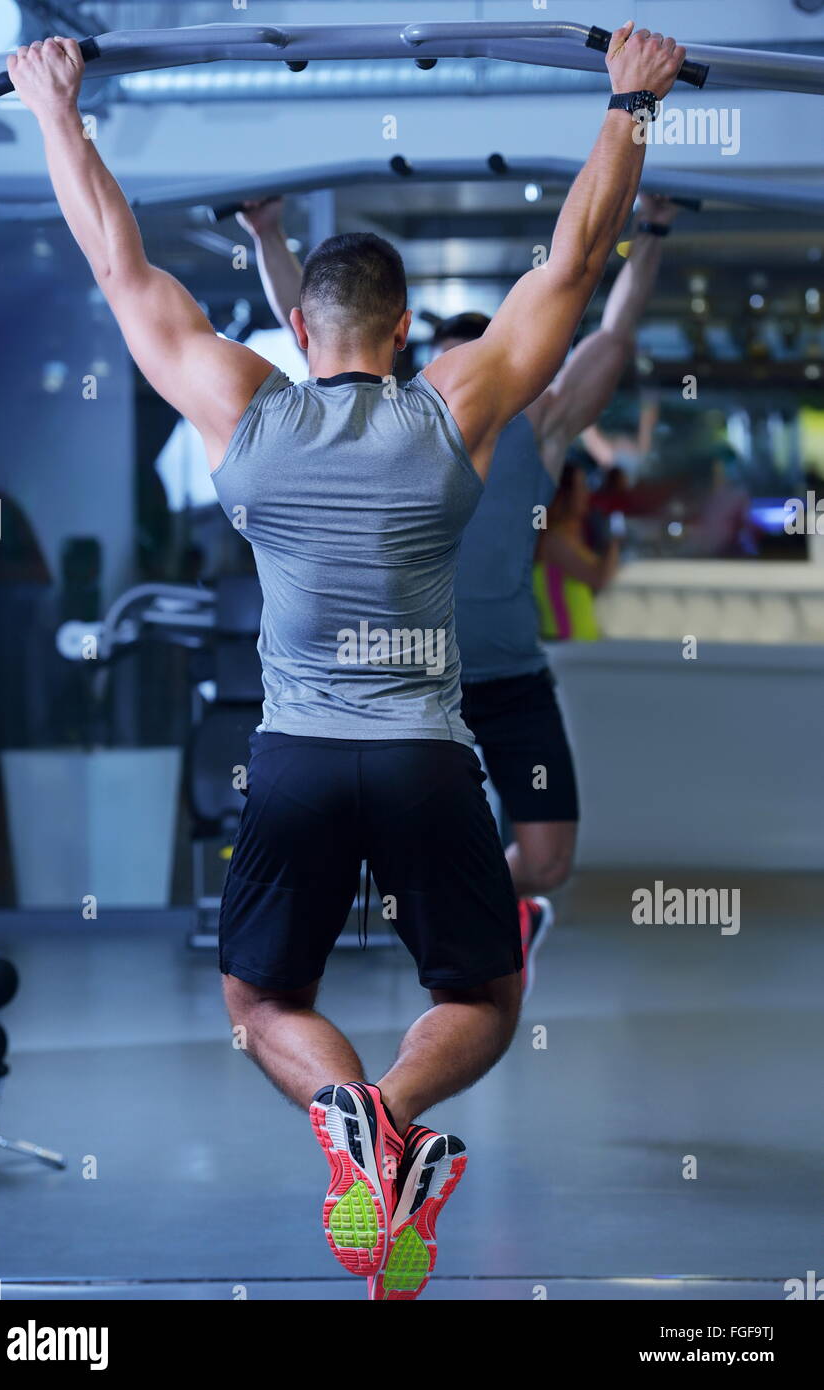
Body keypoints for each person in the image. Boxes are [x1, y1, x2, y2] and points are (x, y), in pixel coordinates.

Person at [9, 25, 684, 1299]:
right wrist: (629, 102)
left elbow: (118, 261)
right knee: (483, 995)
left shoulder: (242, 410)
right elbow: (577, 260)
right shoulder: (453, 411)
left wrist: (58, 109)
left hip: (298, 760)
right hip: (432, 759)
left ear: (302, 328)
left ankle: (353, 1129)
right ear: (402, 325)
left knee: (261, 1006)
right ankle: (389, 1115)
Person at [241, 193, 678, 996]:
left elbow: (609, 335)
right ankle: (439, 917)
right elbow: (318, 329)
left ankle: (485, 910)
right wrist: (268, 235)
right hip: (405, 697)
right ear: (414, 357)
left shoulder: (532, 428)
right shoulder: (401, 424)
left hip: (505, 678)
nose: (454, 378)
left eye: (469, 364)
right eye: (440, 361)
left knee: (546, 861)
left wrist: (647, 231)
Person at [534, 461, 622, 640]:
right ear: (564, 494)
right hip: (566, 643)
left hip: (578, 642)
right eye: (581, 486)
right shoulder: (554, 541)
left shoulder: (565, 537)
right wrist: (614, 539)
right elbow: (599, 578)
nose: (586, 493)